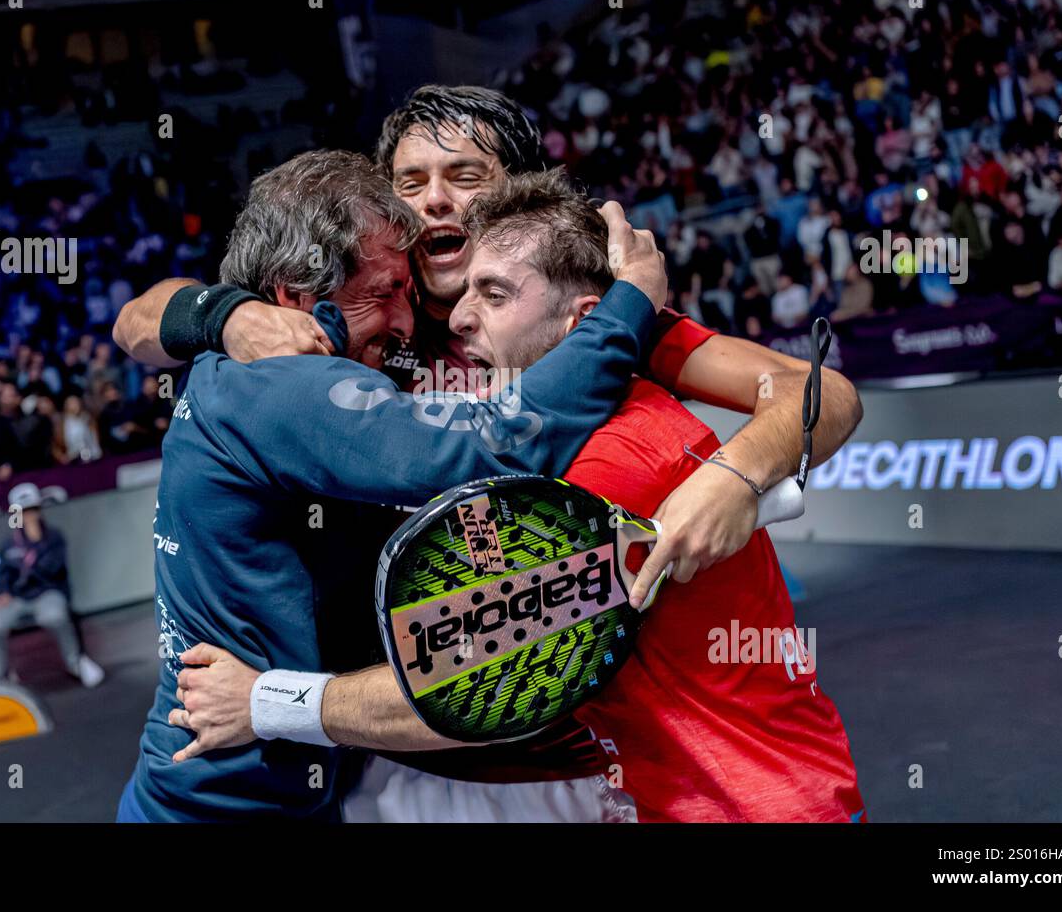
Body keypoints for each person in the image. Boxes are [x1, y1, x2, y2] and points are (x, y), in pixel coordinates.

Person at [169, 171, 867, 823]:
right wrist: (219, 312)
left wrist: (263, 701)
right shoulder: (414, 343)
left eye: (495, 295)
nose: (461, 318)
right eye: (411, 180)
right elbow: (144, 323)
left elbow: (453, 690)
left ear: (588, 323)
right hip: (678, 788)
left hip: (731, 800)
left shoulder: (603, 454)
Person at [115, 150, 668, 823]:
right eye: (383, 294)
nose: (407, 324)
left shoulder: (241, 362)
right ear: (294, 298)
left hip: (277, 791)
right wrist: (627, 307)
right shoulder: (277, 383)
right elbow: (486, 443)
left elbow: (145, 317)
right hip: (224, 806)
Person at [0, 482, 104, 687]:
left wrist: (35, 546)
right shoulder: (9, 543)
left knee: (55, 617)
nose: (29, 515)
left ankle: (75, 661)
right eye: (24, 511)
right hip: (17, 597)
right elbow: (3, 572)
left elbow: (53, 569)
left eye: (32, 510)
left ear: (39, 509)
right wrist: (3, 592)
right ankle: (0, 675)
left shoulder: (53, 538)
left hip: (47, 593)